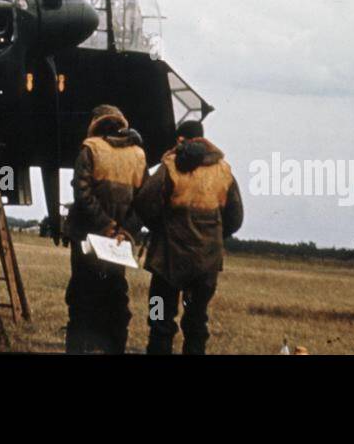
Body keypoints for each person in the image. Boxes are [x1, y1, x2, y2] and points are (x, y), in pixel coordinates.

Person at [133, 120, 243, 355]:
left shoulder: (170, 165)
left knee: (158, 313)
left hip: (167, 262)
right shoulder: (223, 170)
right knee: (197, 322)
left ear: (180, 140)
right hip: (206, 264)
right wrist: (212, 236)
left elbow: (144, 203)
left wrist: (160, 227)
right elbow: (235, 218)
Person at [62, 104, 146, 354]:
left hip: (87, 236)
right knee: (115, 294)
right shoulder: (139, 155)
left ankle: (78, 348)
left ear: (95, 124)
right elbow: (144, 201)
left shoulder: (90, 149)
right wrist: (124, 230)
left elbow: (82, 191)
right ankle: (114, 346)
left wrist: (104, 224)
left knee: (81, 293)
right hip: (119, 244)